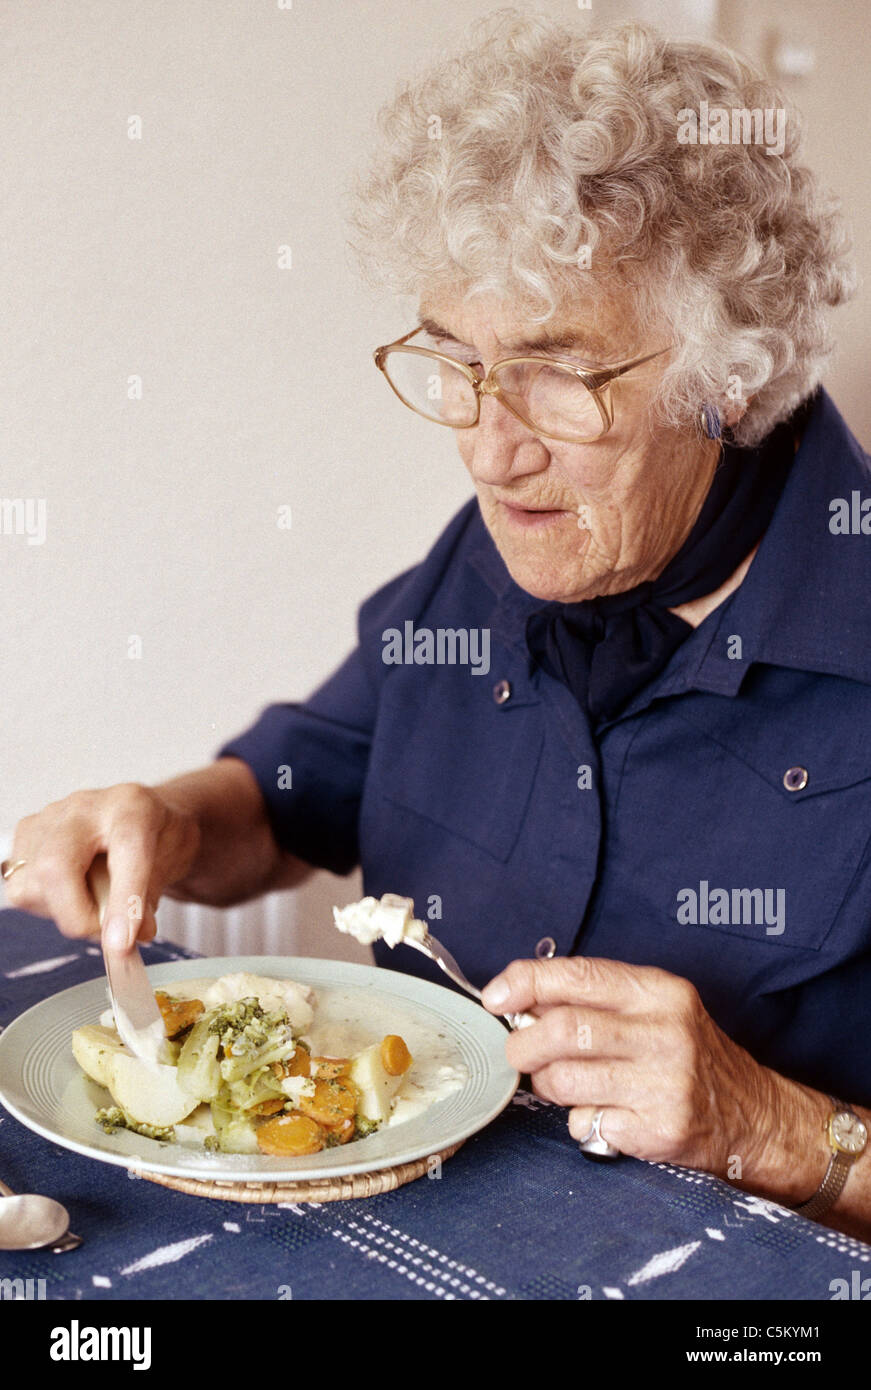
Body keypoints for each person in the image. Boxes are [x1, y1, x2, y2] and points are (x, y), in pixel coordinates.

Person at [5, 14, 871, 1239]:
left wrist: (771, 1126)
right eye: (456, 361)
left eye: (557, 371)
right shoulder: (510, 545)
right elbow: (295, 794)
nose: (485, 443)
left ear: (728, 370)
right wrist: (164, 824)